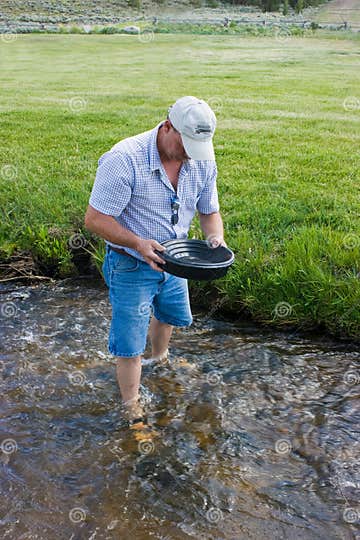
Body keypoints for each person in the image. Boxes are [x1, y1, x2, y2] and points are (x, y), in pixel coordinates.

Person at [84, 96, 227, 431]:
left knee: (168, 315)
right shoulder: (124, 160)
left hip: (176, 259)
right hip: (131, 262)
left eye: (198, 145)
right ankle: (132, 408)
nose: (192, 153)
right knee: (129, 343)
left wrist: (214, 239)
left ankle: (160, 358)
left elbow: (209, 210)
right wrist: (138, 243)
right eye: (186, 144)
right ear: (167, 127)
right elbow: (95, 219)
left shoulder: (201, 155)